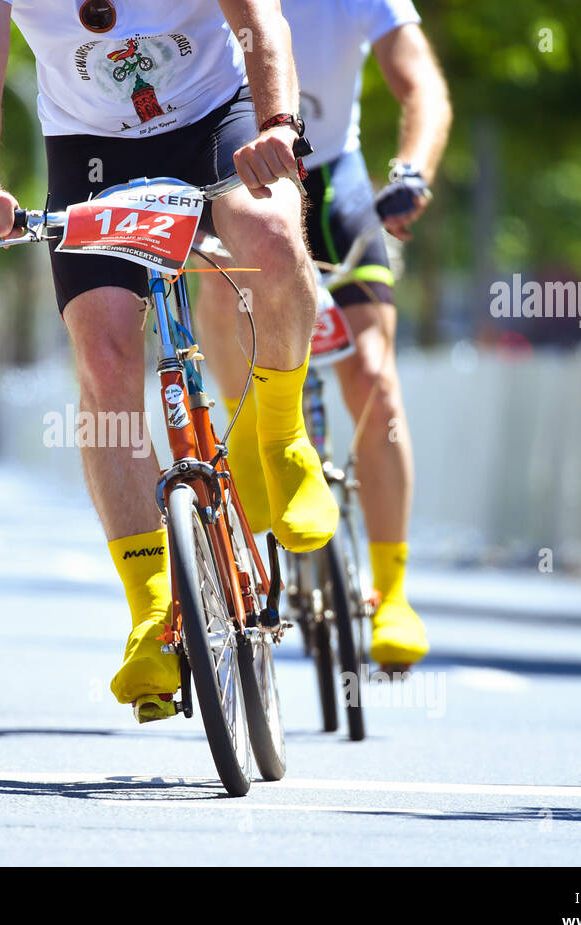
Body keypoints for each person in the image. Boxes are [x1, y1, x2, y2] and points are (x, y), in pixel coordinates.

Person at [0, 0, 338, 723]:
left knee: (273, 235)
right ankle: (151, 608)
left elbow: (262, 19)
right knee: (102, 355)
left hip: (216, 120)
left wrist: (278, 126)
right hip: (91, 150)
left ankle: (281, 440)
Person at [193, 0, 451, 671]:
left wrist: (410, 170)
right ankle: (249, 433)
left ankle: (391, 595)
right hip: (235, 174)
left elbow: (421, 85)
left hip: (332, 178)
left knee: (372, 378)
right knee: (222, 290)